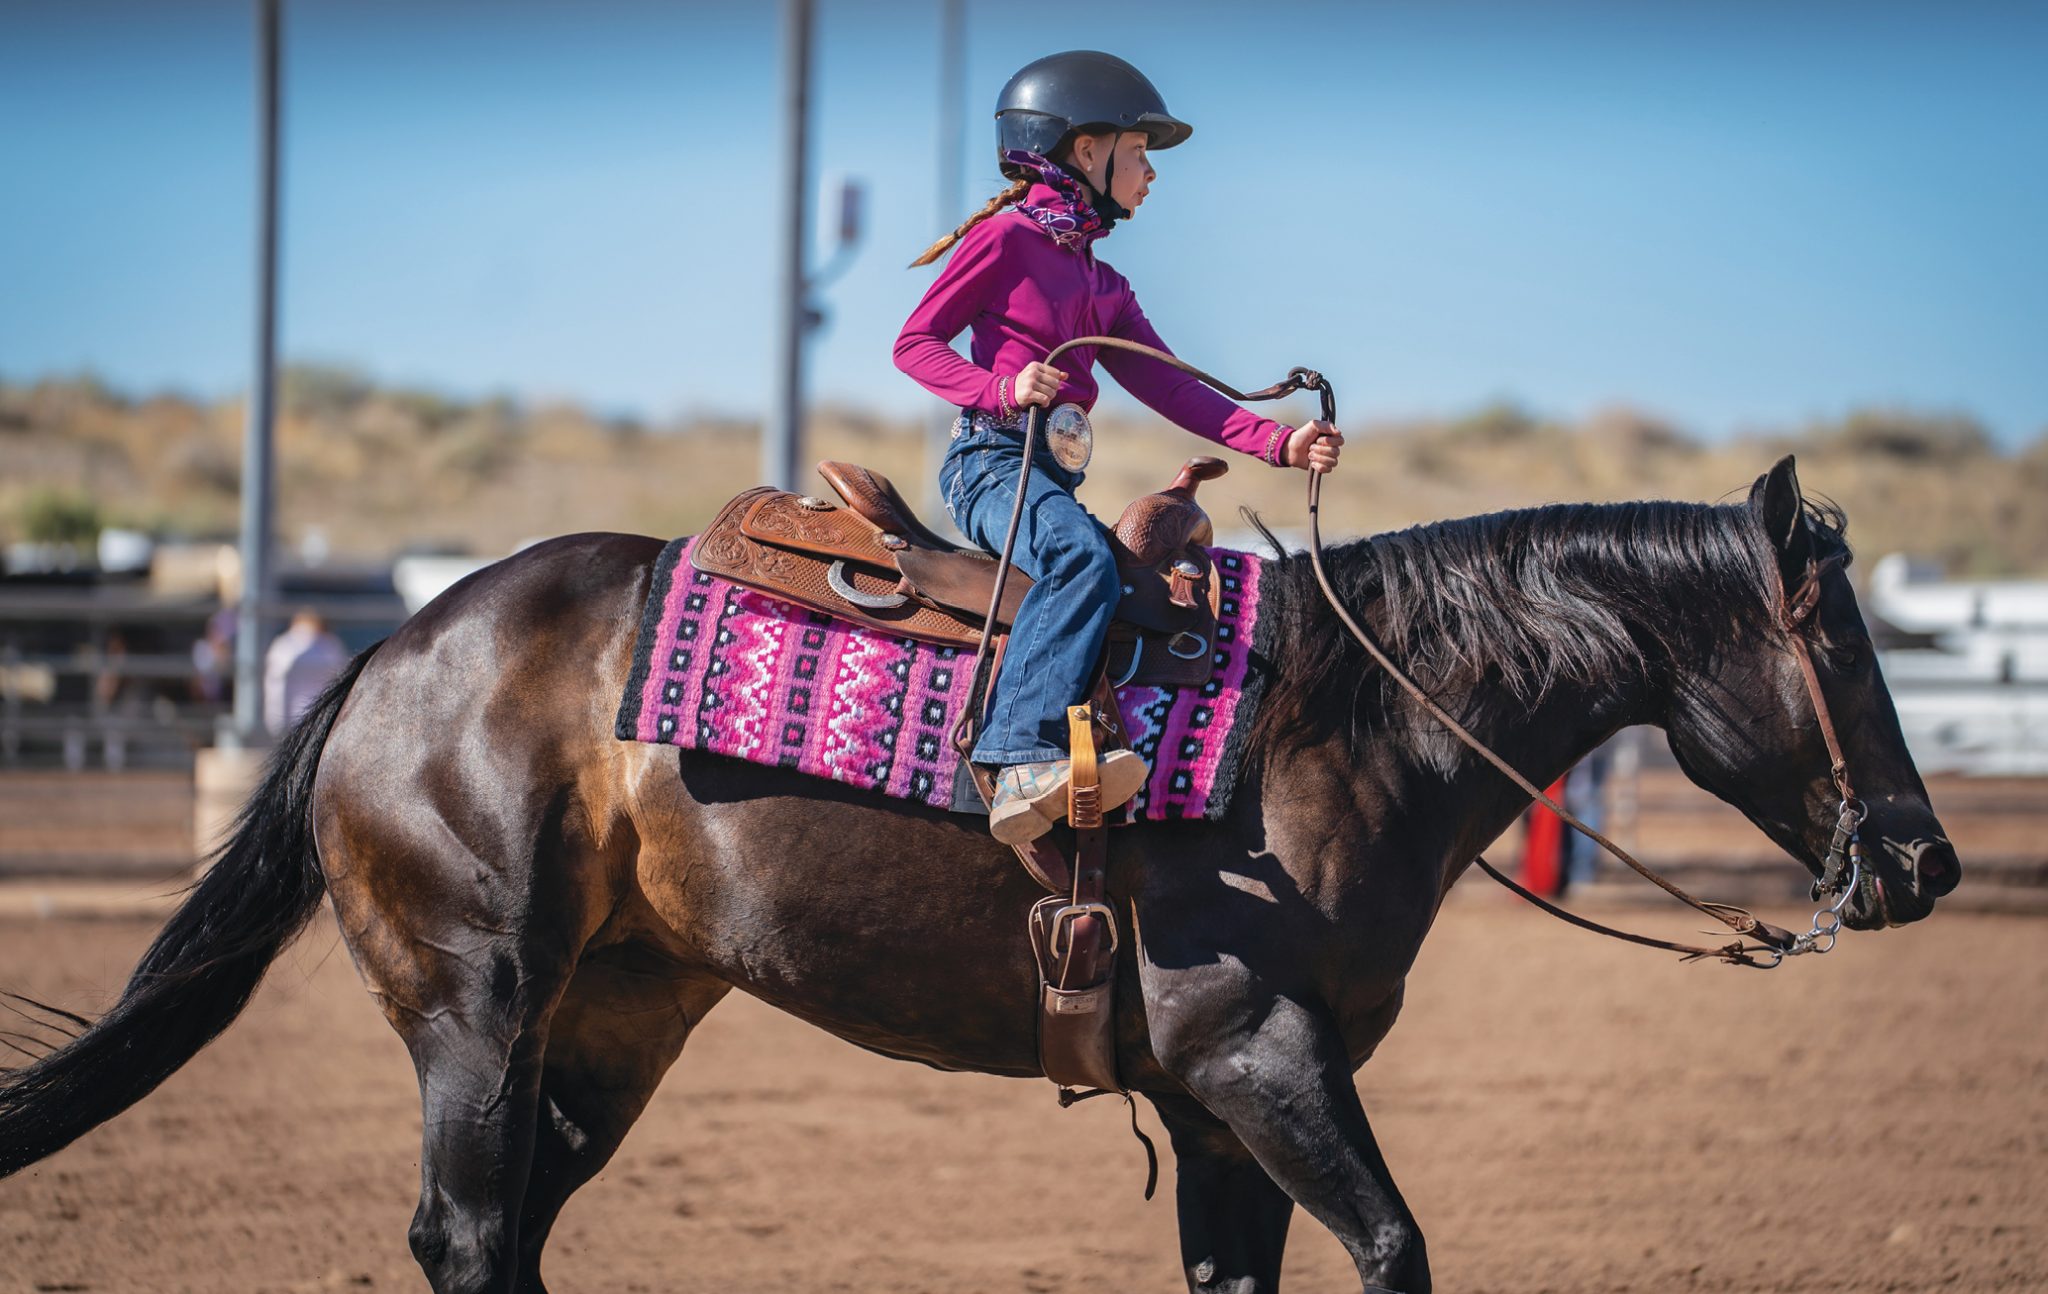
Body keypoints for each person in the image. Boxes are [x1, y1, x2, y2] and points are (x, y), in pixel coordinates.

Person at [895, 50, 1343, 845]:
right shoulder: (1003, 241)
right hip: (989, 463)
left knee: (1123, 581)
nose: (1151, 172)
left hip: (1049, 477)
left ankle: (1091, 746)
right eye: (1139, 153)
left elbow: (1172, 387)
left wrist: (1280, 441)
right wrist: (1001, 390)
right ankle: (1016, 755)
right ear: (1085, 149)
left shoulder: (1107, 286)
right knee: (1078, 560)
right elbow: (915, 343)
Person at [263, 609, 348, 735]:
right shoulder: (331, 645)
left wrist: (274, 721)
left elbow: (275, 687)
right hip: (322, 718)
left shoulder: (282, 645)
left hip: (290, 719)